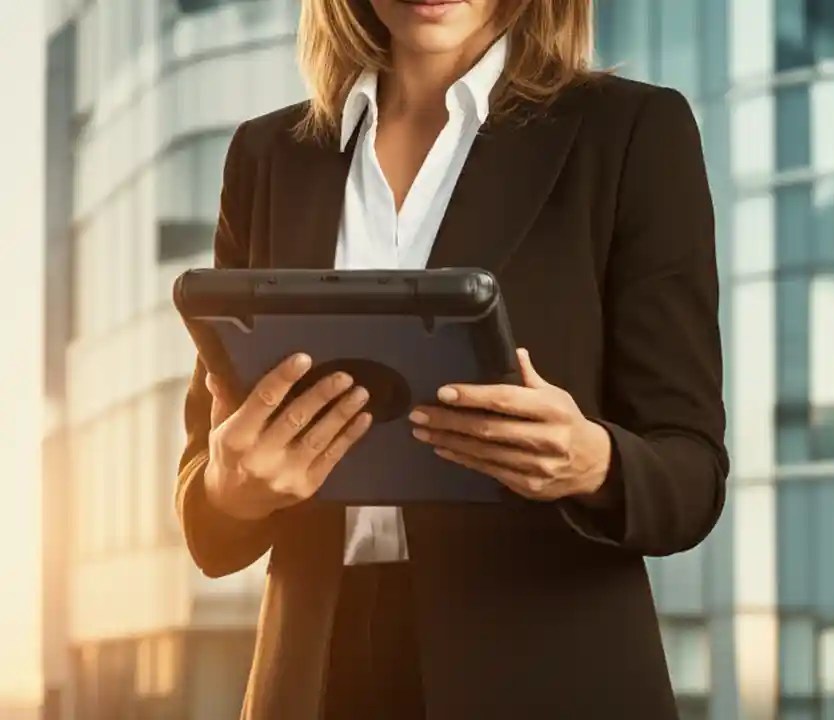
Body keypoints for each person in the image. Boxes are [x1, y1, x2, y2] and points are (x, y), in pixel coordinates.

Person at [173, 0, 727, 717]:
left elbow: (691, 476)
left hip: (547, 677)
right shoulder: (269, 154)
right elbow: (203, 505)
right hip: (316, 678)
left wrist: (591, 461)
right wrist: (234, 486)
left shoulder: (629, 133)